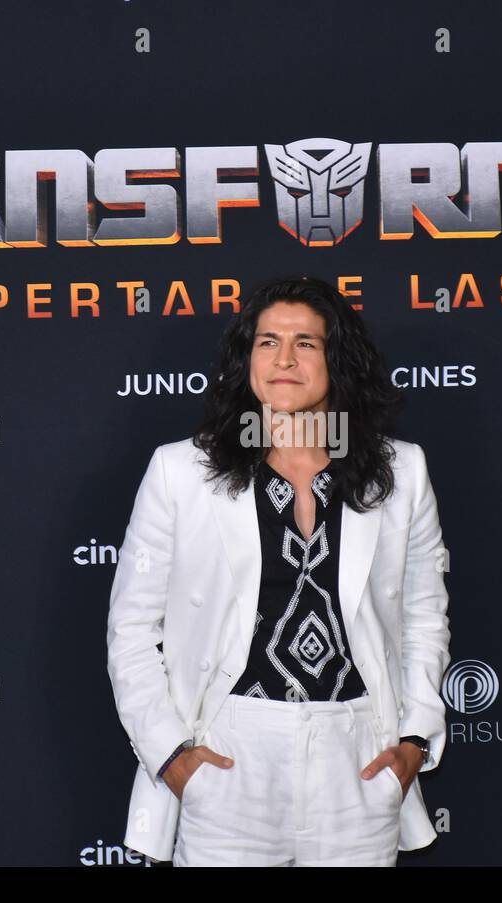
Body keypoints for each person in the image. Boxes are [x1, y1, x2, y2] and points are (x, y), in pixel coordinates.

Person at [106, 274, 452, 866]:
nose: (284, 359)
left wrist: (414, 742)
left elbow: (425, 615)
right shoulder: (180, 472)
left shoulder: (401, 473)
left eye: (305, 343)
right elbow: (131, 631)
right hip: (229, 757)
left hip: (359, 759)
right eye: (267, 342)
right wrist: (173, 758)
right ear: (247, 360)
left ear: (336, 360)